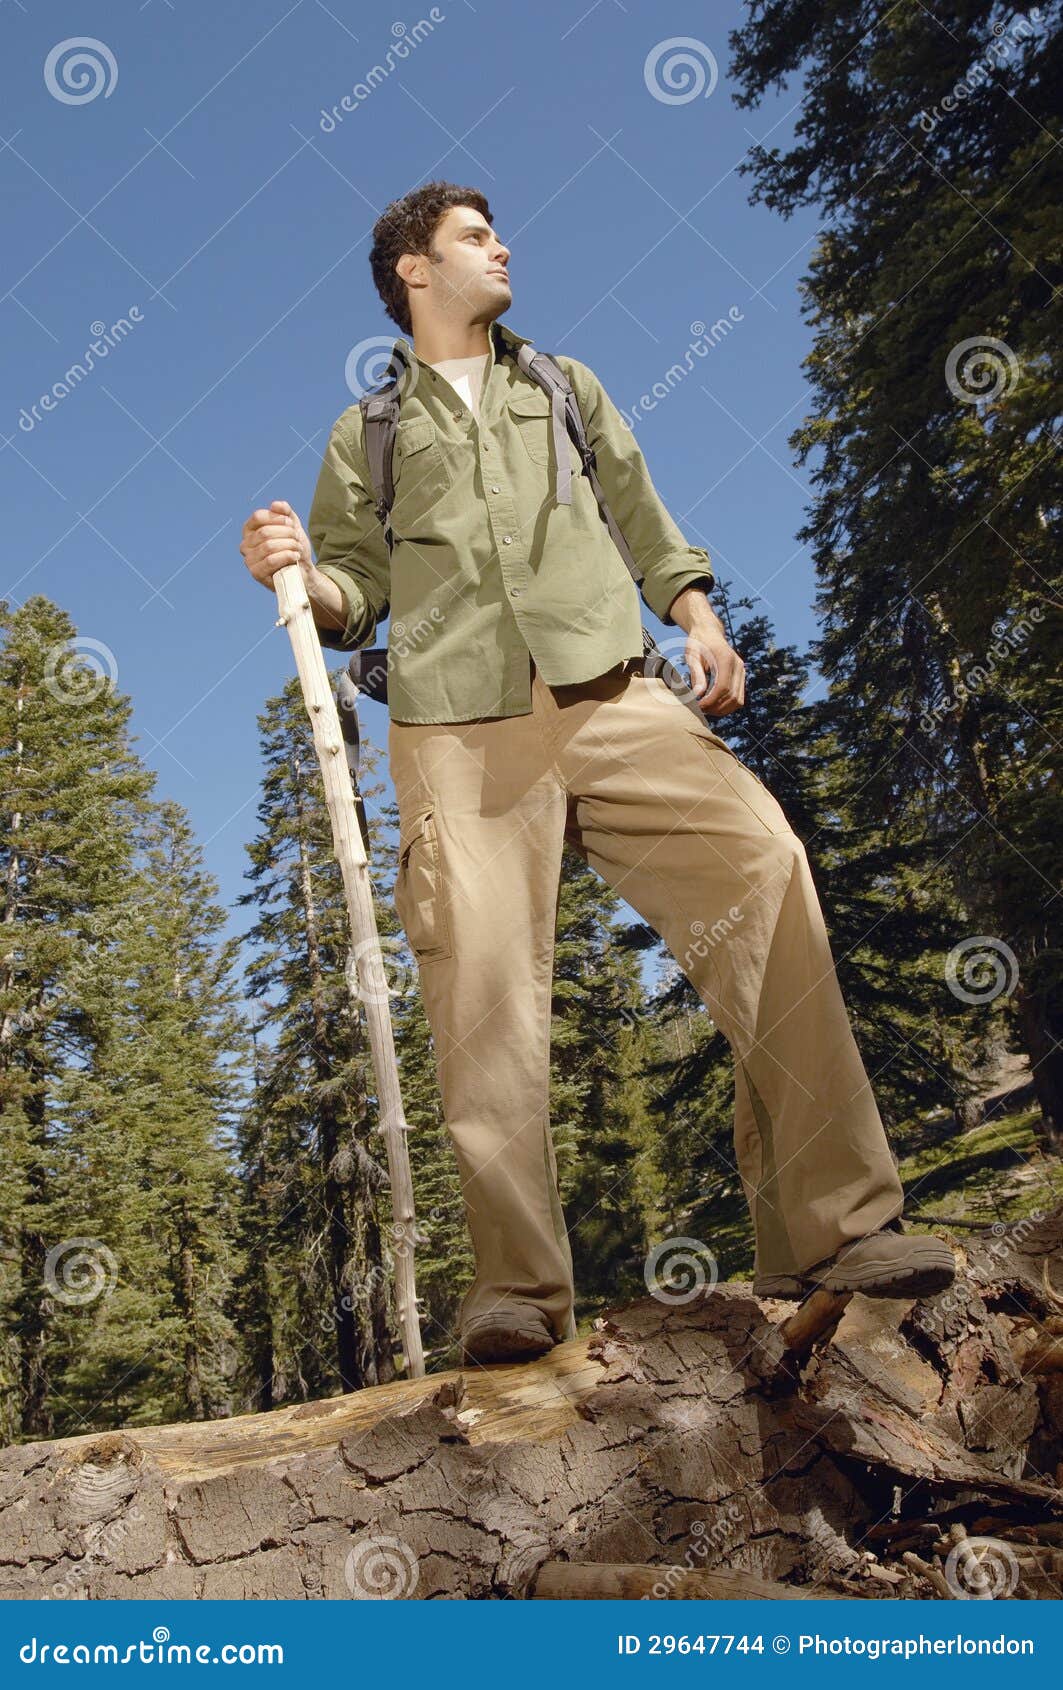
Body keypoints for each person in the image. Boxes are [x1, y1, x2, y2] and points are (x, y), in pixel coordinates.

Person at [240, 181, 955, 1366]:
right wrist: (297, 574)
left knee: (765, 870)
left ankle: (836, 1228)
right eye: (472, 235)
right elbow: (352, 591)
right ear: (412, 272)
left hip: (614, 688)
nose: (500, 243)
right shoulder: (364, 430)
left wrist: (696, 613)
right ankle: (518, 1288)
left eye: (495, 229)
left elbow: (639, 511)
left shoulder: (564, 386)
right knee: (483, 992)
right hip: (455, 731)